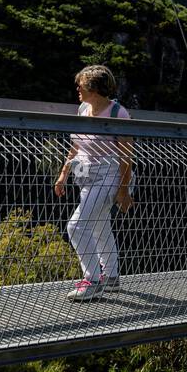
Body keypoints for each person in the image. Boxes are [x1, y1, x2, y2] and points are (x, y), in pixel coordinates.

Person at [54, 65, 133, 301]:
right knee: (98, 225)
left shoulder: (118, 113)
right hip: (86, 175)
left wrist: (124, 190)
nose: (77, 88)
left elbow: (127, 156)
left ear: (95, 88)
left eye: (82, 84)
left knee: (76, 226)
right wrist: (63, 174)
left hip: (110, 175)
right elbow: (76, 146)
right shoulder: (82, 108)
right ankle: (111, 277)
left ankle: (92, 281)